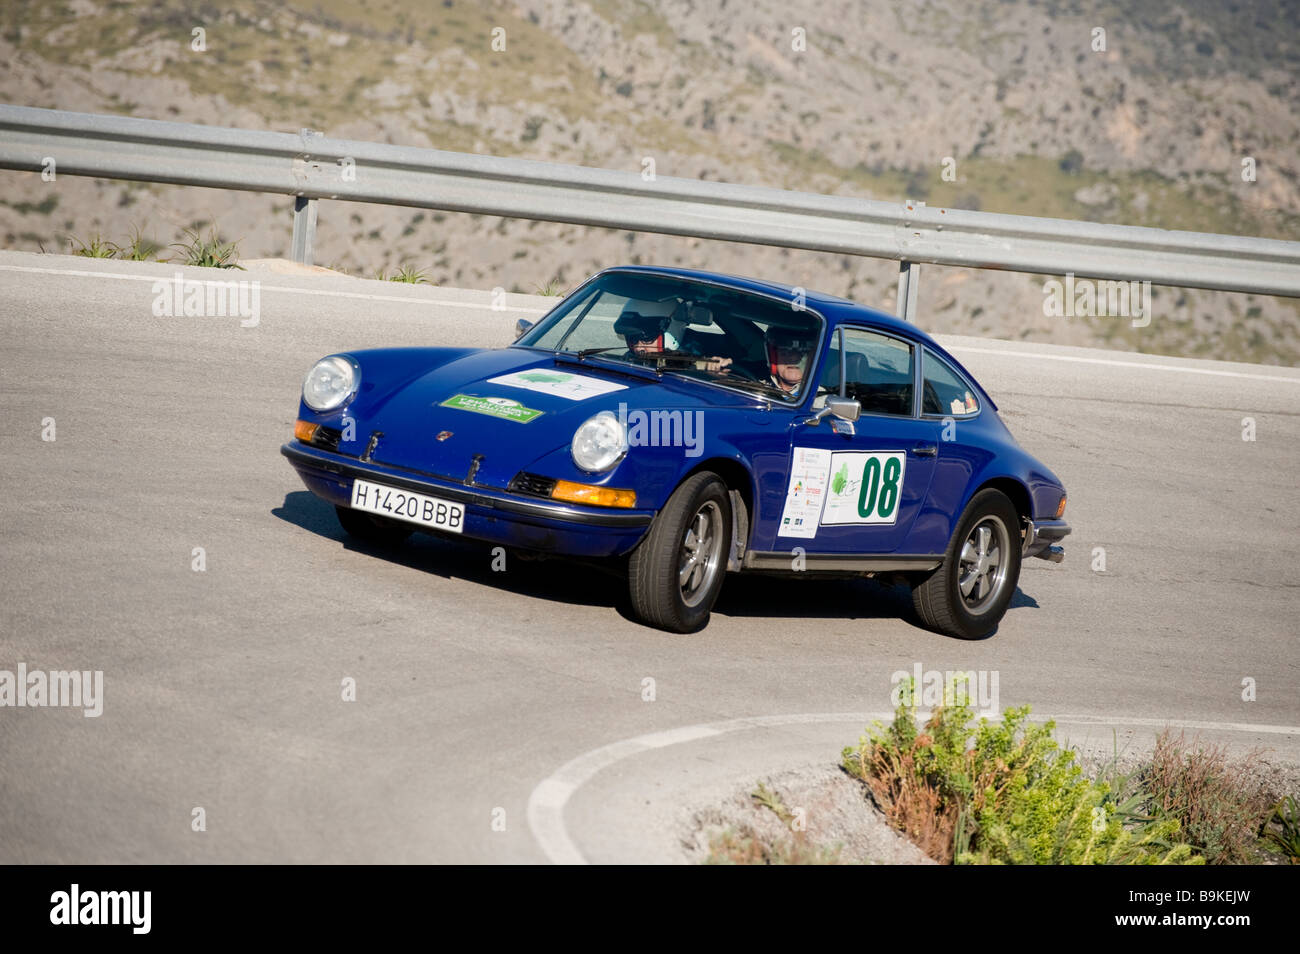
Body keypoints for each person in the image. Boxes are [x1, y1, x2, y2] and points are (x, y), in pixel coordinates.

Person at [613, 306, 732, 372]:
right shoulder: (629, 359)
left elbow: (683, 362)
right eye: (633, 338)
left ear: (670, 331)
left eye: (646, 339)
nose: (638, 347)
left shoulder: (691, 354)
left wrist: (714, 365)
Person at [765, 325, 815, 395]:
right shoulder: (754, 388)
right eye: (784, 351)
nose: (794, 358)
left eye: (803, 351)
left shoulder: (824, 402)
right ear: (773, 356)